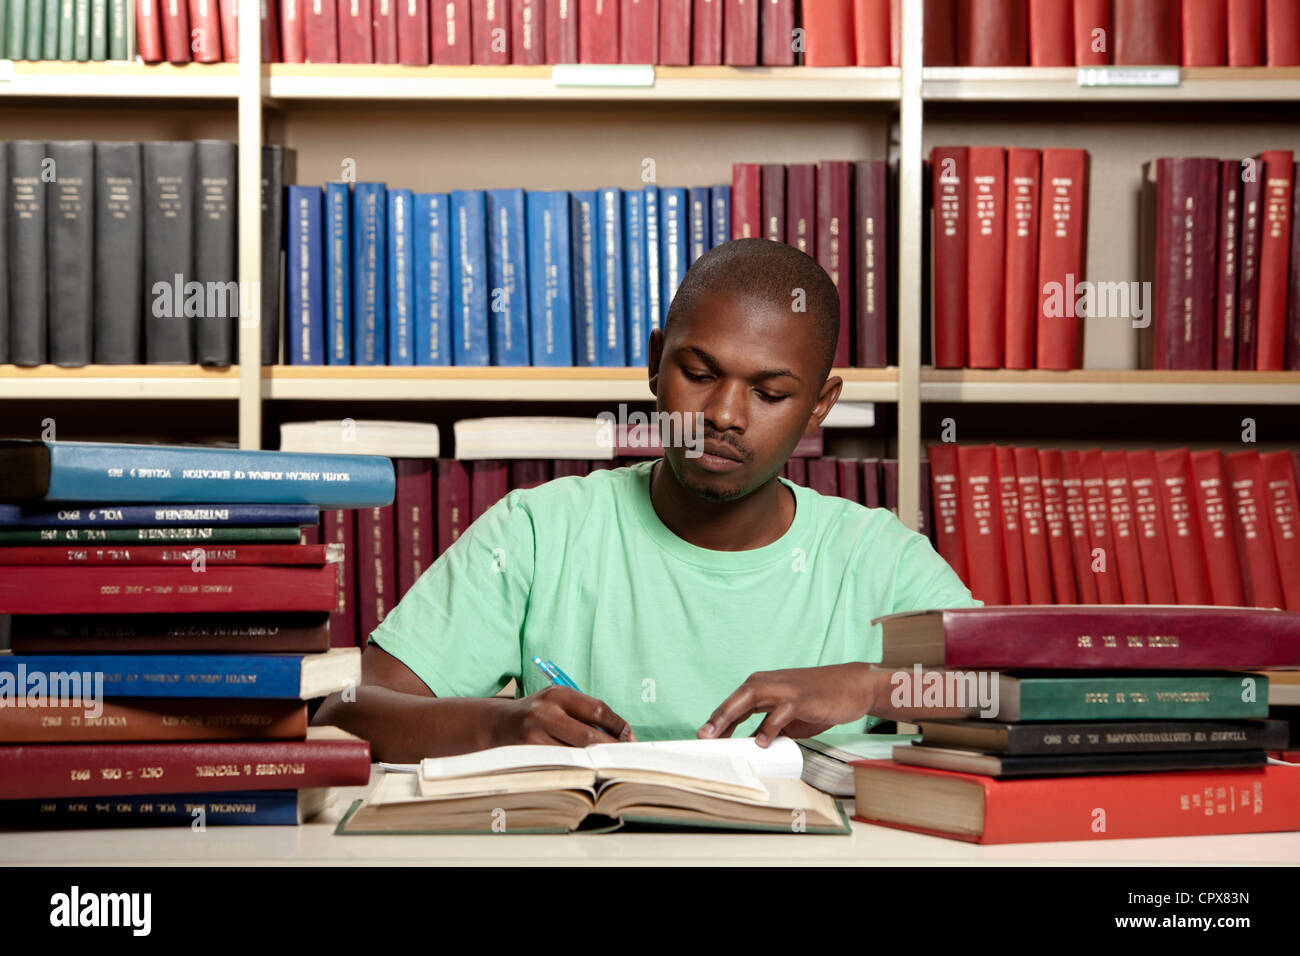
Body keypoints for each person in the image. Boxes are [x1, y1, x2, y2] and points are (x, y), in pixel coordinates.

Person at [313, 238, 979, 762]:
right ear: (656, 364)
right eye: (698, 374)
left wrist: (869, 685)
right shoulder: (540, 531)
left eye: (770, 394)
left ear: (818, 408)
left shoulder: (880, 559)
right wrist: (501, 722)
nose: (721, 414)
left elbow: (1035, 698)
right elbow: (346, 709)